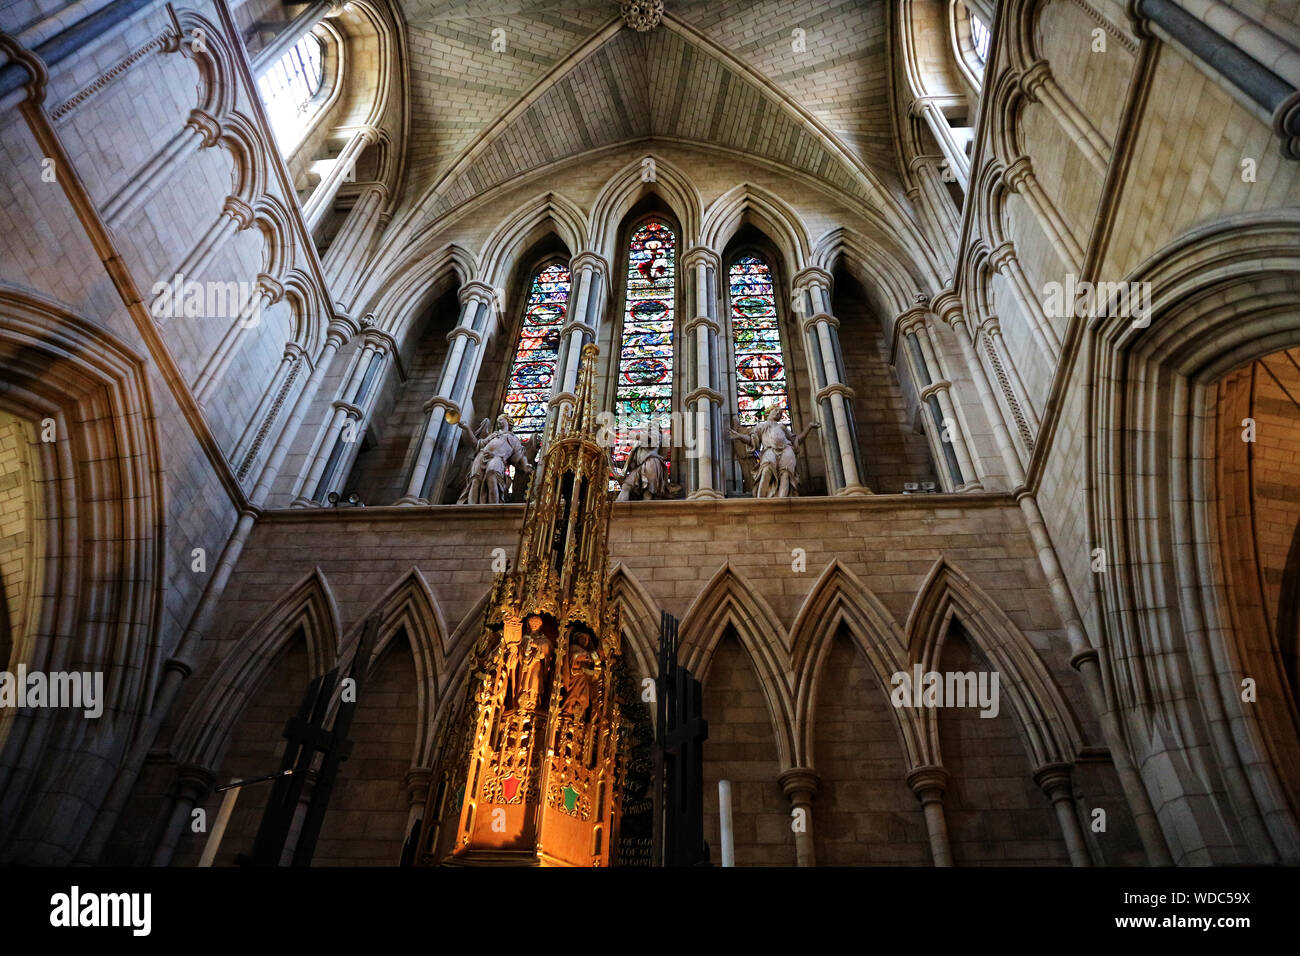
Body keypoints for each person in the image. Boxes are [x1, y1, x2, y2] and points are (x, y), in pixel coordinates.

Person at [729, 406, 819, 498]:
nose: (778, 413)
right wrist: (739, 436)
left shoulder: (782, 427)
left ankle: (781, 501)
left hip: (786, 450)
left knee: (786, 474)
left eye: (780, 413)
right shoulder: (761, 426)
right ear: (769, 411)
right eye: (776, 410)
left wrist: (809, 427)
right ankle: (760, 501)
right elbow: (751, 440)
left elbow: (796, 440)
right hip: (769, 450)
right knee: (766, 469)